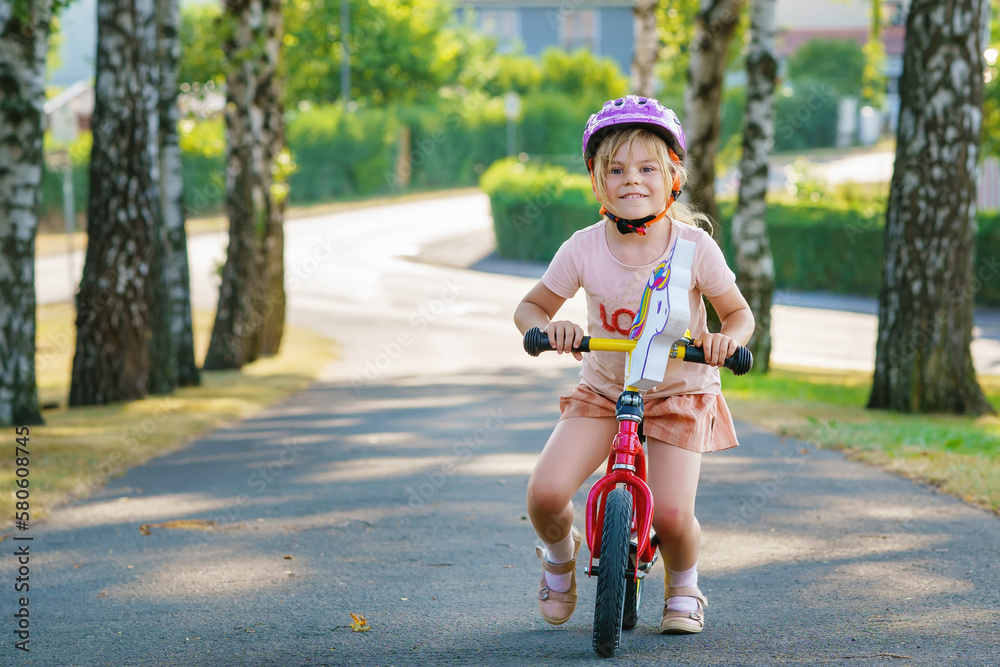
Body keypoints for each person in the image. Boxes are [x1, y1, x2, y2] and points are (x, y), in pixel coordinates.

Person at [513, 95, 754, 634]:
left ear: (673, 176)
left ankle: (684, 583)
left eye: (647, 168)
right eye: (615, 169)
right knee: (546, 493)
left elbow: (739, 315)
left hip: (679, 392)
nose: (632, 180)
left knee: (671, 517)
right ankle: (559, 556)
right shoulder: (582, 248)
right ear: (597, 183)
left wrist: (723, 340)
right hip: (604, 388)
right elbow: (530, 308)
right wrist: (555, 327)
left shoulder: (694, 249)